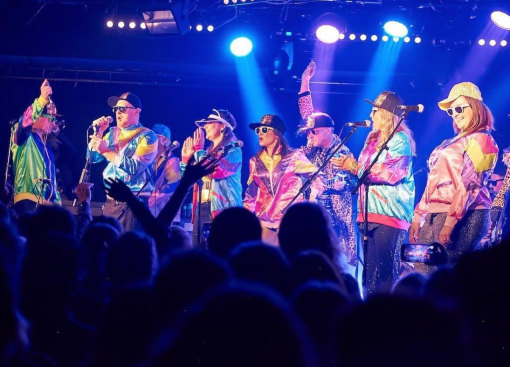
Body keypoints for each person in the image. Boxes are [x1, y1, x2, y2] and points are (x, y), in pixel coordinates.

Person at [333, 91, 416, 295]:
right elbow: (364, 175)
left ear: (387, 114)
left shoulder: (400, 140)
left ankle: (387, 319)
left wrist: (354, 167)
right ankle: (368, 317)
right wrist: (348, 169)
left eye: (374, 111)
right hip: (367, 213)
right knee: (368, 274)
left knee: (386, 274)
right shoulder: (372, 141)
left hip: (389, 214)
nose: (370, 115)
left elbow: (390, 174)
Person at [409, 82, 498, 269]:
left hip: (465, 215)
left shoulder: (482, 139)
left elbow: (470, 185)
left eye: (459, 108)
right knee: (421, 271)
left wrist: (450, 222)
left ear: (475, 107)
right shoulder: (448, 143)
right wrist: (418, 216)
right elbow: (432, 181)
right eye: (451, 111)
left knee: (446, 278)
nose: (455, 114)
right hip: (434, 214)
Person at [297, 61, 358, 266]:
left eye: (313, 131)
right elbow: (307, 112)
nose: (309, 134)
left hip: (336, 221)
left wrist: (325, 183)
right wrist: (305, 80)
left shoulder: (342, 152)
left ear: (328, 131)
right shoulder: (312, 145)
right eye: (308, 132)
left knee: (333, 265)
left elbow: (347, 183)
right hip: (313, 215)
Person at [243, 114, 322, 245]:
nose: (259, 134)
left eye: (264, 130)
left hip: (289, 219)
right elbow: (251, 193)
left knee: (289, 261)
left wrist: (313, 196)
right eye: (258, 130)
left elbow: (317, 176)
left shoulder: (294, 157)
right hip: (263, 221)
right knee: (267, 261)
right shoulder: (254, 161)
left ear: (276, 134)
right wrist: (246, 217)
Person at [88, 92, 158, 232]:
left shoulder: (148, 136)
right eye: (116, 109)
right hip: (110, 202)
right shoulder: (112, 133)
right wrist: (99, 133)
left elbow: (135, 167)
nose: (118, 112)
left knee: (126, 249)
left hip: (132, 202)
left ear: (137, 111)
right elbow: (93, 159)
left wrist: (107, 151)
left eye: (123, 109)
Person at [180, 109, 243, 247]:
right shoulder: (208, 153)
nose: (205, 126)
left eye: (209, 123)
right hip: (203, 205)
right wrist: (185, 162)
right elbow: (191, 180)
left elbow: (215, 171)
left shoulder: (233, 149)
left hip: (223, 209)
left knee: (220, 249)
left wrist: (198, 151)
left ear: (222, 126)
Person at [10, 79, 61, 217]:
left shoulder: (46, 145)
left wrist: (57, 203)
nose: (53, 123)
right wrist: (42, 100)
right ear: (38, 117)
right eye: (50, 118)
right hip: (29, 200)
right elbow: (25, 122)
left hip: (47, 203)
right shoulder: (24, 137)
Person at [147, 124, 181, 223]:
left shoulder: (172, 160)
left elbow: (173, 186)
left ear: (164, 140)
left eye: (154, 138)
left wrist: (151, 199)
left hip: (165, 215)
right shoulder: (151, 160)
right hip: (151, 214)